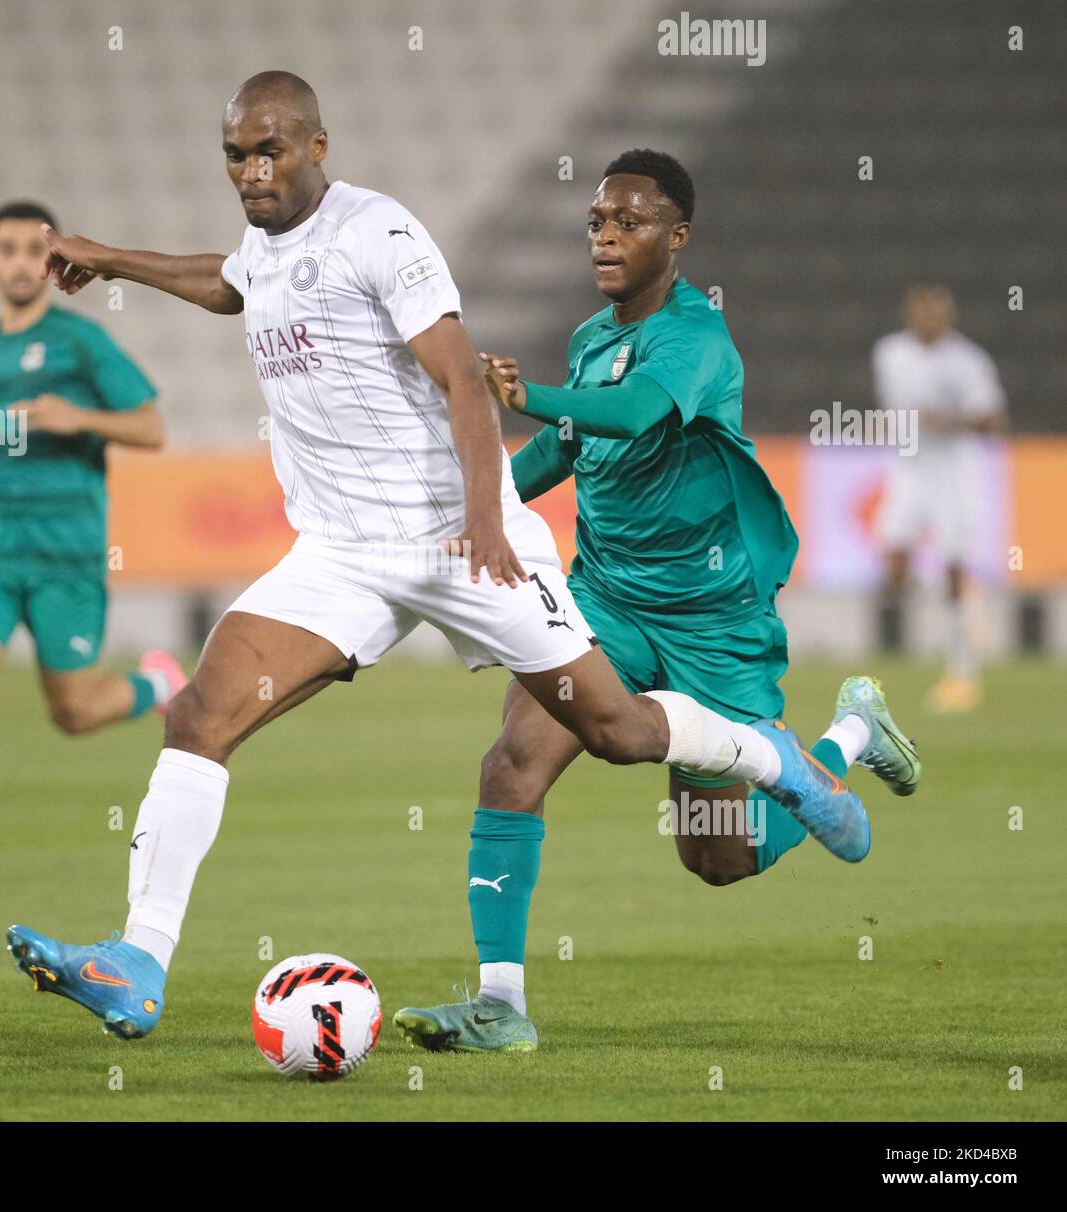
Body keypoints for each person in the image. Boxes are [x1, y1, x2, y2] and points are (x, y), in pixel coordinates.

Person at [5, 78, 870, 1041]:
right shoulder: (268, 250)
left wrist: (487, 516)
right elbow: (233, 281)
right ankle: (139, 960)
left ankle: (774, 757)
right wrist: (113, 260)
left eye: (269, 152)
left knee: (622, 734)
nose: (252, 171)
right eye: (236, 156)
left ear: (316, 145)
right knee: (200, 713)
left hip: (460, 540)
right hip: (341, 549)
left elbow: (463, 377)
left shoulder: (382, 233)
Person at [395, 151, 921, 1053]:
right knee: (512, 763)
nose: (606, 236)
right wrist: (476, 512)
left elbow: (635, 413)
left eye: (629, 223)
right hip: (603, 598)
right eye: (597, 221)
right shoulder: (594, 338)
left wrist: (527, 397)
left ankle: (845, 741)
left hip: (711, 618)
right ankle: (500, 1006)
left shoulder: (697, 339)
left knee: (717, 858)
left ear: (676, 238)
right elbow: (572, 447)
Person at [0, 200, 185, 892]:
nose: (21, 261)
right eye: (8, 249)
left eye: (34, 249)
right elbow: (3, 444)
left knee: (74, 713)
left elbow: (150, 429)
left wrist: (75, 415)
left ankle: (159, 685)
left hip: (67, 556)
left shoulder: (82, 344)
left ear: (51, 260)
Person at [875, 284, 1007, 713]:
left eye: (936, 313)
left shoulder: (967, 361)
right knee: (894, 561)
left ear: (948, 316)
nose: (929, 320)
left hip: (955, 471)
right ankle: (942, 632)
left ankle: (962, 671)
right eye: (921, 312)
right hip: (911, 467)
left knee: (954, 567)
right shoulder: (890, 353)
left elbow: (994, 421)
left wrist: (945, 420)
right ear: (910, 314)